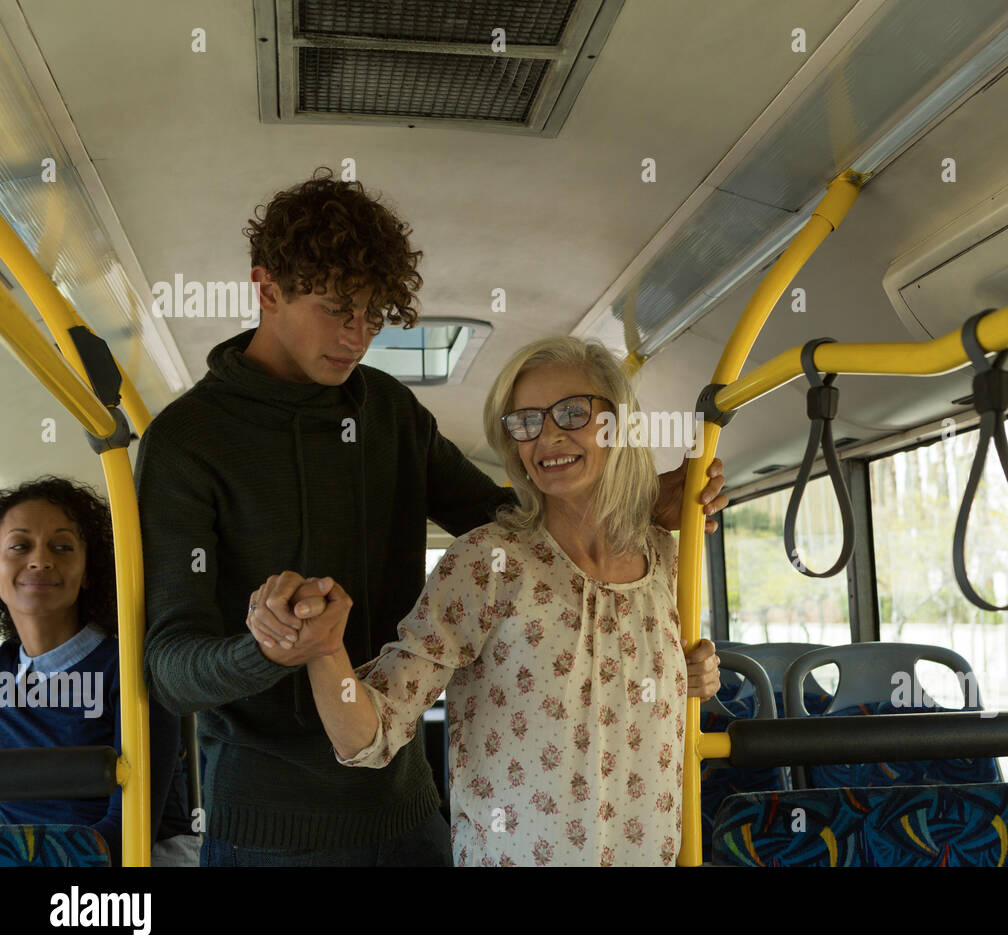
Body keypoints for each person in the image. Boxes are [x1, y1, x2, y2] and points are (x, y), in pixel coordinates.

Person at [136, 169, 727, 867]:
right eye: (336, 309)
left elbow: (523, 527)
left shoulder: (387, 413)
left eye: (373, 315)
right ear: (267, 290)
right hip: (268, 826)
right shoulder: (189, 440)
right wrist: (263, 647)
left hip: (407, 810)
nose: (357, 337)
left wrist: (630, 502)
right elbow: (169, 670)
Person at [264, 336, 717, 865]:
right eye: (525, 422)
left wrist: (693, 672)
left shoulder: (665, 556)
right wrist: (324, 651)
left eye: (571, 412)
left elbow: (640, 694)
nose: (547, 436)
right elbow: (371, 735)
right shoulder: (488, 564)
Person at [0, 476, 193, 866]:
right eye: (20, 546)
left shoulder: (131, 669)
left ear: (88, 572)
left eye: (63, 547)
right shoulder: (4, 667)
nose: (40, 560)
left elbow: (128, 830)